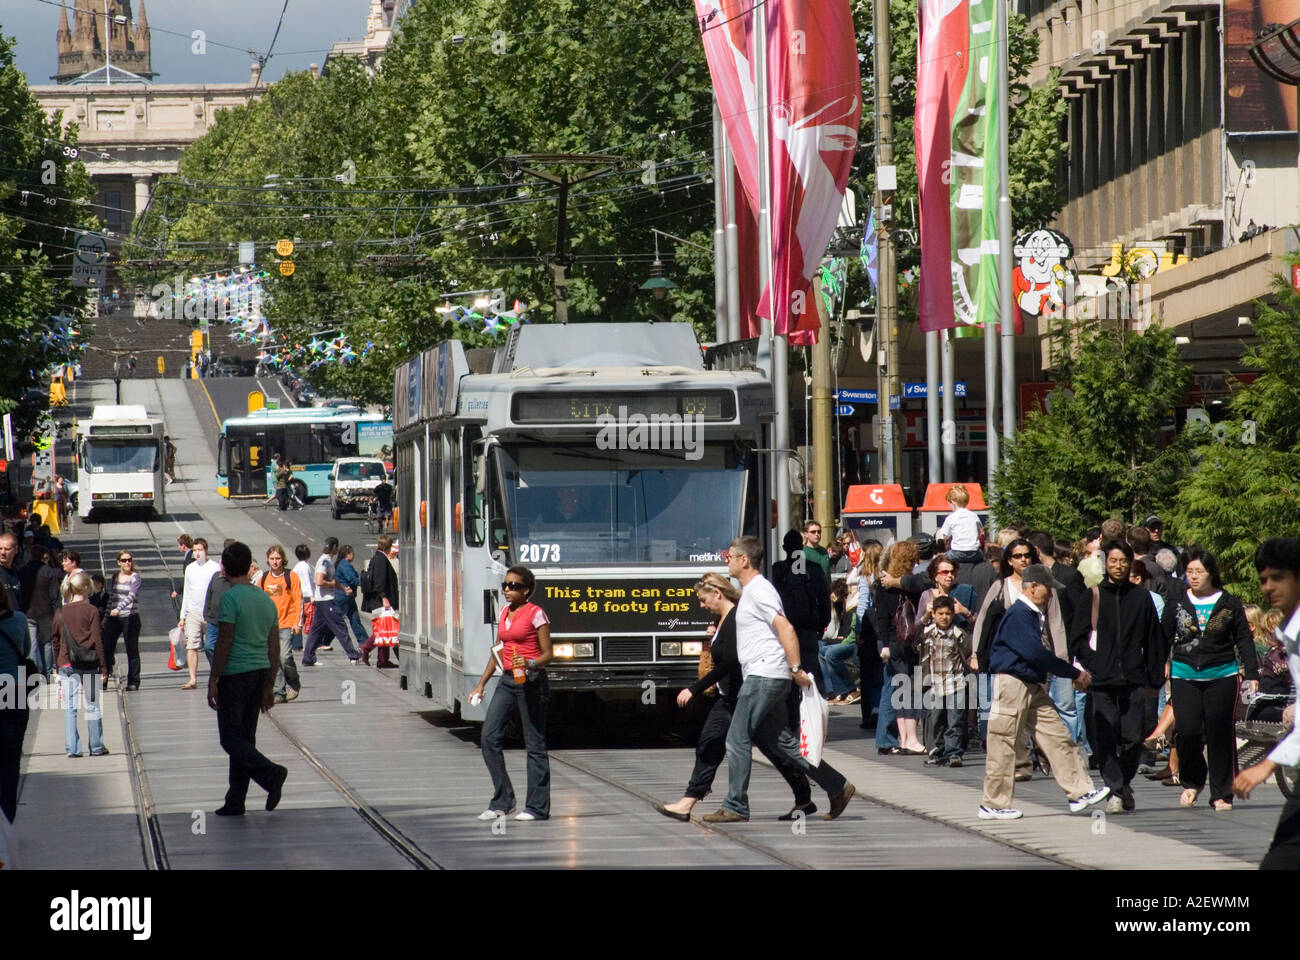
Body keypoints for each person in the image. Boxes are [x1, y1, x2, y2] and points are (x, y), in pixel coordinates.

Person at [700, 536, 857, 823]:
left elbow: (785, 627)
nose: (727, 560)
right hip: (766, 674)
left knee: (737, 738)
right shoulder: (750, 591)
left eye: (730, 556)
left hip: (765, 675)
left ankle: (735, 805)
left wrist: (796, 667)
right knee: (784, 744)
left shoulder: (759, 590)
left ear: (744, 560)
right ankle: (837, 786)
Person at [659, 573, 819, 821]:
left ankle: (823, 786)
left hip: (741, 695)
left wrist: (695, 688)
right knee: (767, 746)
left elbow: (731, 662)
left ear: (717, 594)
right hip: (734, 695)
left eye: (703, 600)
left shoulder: (735, 618)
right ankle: (807, 795)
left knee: (753, 745)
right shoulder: (723, 619)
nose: (702, 606)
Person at [978, 564, 1110, 820]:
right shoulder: (1019, 613)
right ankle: (993, 804)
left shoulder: (1030, 613)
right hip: (1012, 684)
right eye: (1048, 589)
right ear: (1034, 586)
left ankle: (1079, 792)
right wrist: (1074, 673)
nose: (1051, 595)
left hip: (1030, 684)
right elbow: (1035, 653)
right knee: (1003, 743)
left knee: (1057, 735)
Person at [1068, 539, 1166, 814]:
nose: (1118, 566)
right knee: (1106, 735)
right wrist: (1093, 663)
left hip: (1134, 679)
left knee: (1134, 738)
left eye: (1123, 561)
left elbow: (1154, 640)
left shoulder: (1141, 597)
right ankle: (1116, 789)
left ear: (1130, 563)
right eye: (1113, 561)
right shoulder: (1094, 595)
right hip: (1103, 680)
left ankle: (1122, 785)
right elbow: (1078, 637)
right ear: (1105, 563)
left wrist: (1154, 677)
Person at [1167, 547, 1257, 811]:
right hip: (1184, 673)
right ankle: (1192, 780)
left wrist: (1251, 673)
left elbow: (1244, 639)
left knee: (1220, 733)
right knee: (1187, 731)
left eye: (1199, 572)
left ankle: (1222, 792)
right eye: (1190, 572)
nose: (1194, 577)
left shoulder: (1228, 602)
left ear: (1211, 574)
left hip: (1222, 674)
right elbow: (1162, 635)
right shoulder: (1177, 601)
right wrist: (1157, 666)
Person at [207, 541, 288, 817]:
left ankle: (271, 774)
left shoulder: (230, 598)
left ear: (225, 568)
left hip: (235, 675)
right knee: (245, 739)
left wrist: (213, 678)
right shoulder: (264, 599)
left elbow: (225, 640)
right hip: (259, 673)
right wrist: (270, 684)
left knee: (230, 739)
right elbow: (274, 646)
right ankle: (236, 800)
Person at [469, 566, 553, 821]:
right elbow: (498, 650)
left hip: (531, 680)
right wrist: (481, 684)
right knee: (489, 737)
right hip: (507, 680)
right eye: (505, 585)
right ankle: (503, 800)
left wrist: (528, 664)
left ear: (526, 590)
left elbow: (548, 654)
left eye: (514, 586)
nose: (507, 590)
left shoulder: (537, 614)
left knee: (534, 743)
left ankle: (537, 807)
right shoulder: (505, 611)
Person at [1235, 538, 1300, 868]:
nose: (1269, 587)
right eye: (1263, 580)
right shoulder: (1291, 632)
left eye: (1278, 577)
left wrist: (1266, 765)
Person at [875, 539, 927, 755]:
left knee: (896, 688)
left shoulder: (883, 584)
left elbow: (881, 618)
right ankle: (909, 739)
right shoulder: (912, 584)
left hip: (892, 642)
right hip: (908, 642)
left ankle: (900, 738)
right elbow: (922, 584)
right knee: (909, 689)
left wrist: (884, 644)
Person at [53, 572, 108, 759]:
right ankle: (96, 745)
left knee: (70, 707)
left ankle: (73, 748)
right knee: (92, 705)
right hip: (89, 663)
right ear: (86, 588)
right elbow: (98, 641)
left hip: (66, 663)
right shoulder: (91, 610)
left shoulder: (61, 612)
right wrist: (104, 667)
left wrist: (57, 665)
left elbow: (55, 640)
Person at [771, 529, 830, 695]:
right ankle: (809, 713)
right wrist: (822, 624)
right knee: (809, 674)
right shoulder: (814, 570)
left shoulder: (777, 570)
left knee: (786, 675)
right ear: (801, 546)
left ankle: (791, 716)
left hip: (784, 629)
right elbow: (824, 600)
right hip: (808, 628)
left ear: (784, 547)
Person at [919, 596, 972, 767]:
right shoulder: (927, 633)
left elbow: (967, 653)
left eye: (948, 613)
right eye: (940, 613)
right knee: (935, 720)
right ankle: (937, 750)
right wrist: (924, 618)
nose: (944, 617)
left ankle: (954, 753)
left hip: (955, 683)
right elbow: (913, 641)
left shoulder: (959, 635)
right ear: (933, 614)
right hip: (934, 685)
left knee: (955, 721)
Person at [301, 537, 362, 666]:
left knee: (316, 631)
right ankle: (353, 655)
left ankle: (308, 657)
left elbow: (333, 581)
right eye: (336, 546)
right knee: (340, 627)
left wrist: (342, 588)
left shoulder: (328, 561)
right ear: (334, 547)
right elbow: (319, 581)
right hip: (326, 601)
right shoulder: (324, 561)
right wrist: (332, 584)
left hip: (323, 600)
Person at [0, 581, 31, 822]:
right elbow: (26, 650)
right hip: (15, 691)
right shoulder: (19, 620)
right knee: (10, 763)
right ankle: (7, 820)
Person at [257, 545, 302, 704]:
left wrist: (297, 622)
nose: (275, 562)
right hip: (268, 626)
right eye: (272, 559)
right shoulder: (263, 579)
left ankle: (294, 682)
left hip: (286, 623)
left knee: (285, 656)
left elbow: (298, 601)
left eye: (277, 558)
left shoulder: (291, 577)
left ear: (282, 559)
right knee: (273, 659)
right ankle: (280, 692)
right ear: (268, 560)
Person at [179, 538, 220, 690]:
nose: (197, 553)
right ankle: (192, 679)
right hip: (193, 611)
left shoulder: (214, 567)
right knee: (192, 646)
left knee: (212, 645)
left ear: (206, 550)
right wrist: (182, 616)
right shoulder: (190, 568)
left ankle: (216, 674)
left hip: (210, 613)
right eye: (195, 550)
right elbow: (187, 591)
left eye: (200, 550)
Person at [102, 550, 143, 691]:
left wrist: (118, 609)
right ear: (119, 562)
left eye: (129, 560)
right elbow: (112, 598)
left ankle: (134, 681)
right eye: (124, 560)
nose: (127, 563)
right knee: (107, 648)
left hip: (130, 618)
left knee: (131, 649)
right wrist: (106, 617)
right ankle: (105, 677)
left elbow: (131, 597)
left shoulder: (135, 577)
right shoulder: (115, 577)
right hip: (114, 618)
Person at [359, 535, 400, 668]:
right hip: (380, 600)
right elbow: (379, 582)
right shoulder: (381, 560)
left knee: (384, 629)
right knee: (382, 630)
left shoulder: (377, 557)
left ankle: (383, 660)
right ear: (387, 547)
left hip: (378, 600)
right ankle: (366, 648)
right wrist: (384, 598)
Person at [820, 579, 859, 704]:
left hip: (852, 642)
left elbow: (852, 632)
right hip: (845, 639)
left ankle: (846, 688)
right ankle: (832, 690)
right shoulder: (840, 606)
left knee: (830, 653)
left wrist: (842, 640)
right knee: (820, 649)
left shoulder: (852, 606)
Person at [201, 541, 236, 668]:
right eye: (222, 563)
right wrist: (206, 613)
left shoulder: (234, 579)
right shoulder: (216, 576)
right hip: (213, 620)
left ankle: (224, 670)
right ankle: (217, 667)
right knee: (209, 646)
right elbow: (209, 595)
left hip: (229, 621)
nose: (223, 567)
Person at [335, 545, 370, 649]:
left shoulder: (342, 564)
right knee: (336, 621)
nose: (353, 555)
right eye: (352, 553)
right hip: (344, 596)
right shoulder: (345, 565)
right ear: (348, 554)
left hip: (346, 596)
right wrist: (363, 582)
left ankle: (364, 642)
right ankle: (323, 641)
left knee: (355, 619)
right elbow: (352, 579)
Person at [938, 484, 983, 563]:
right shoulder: (974, 515)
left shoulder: (951, 518)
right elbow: (981, 532)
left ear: (952, 502)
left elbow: (943, 535)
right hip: (974, 553)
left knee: (940, 559)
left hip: (957, 553)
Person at [291, 544, 314, 652]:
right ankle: (297, 644)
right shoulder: (304, 566)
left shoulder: (298, 566)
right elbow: (306, 582)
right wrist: (311, 596)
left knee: (299, 620)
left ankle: (296, 643)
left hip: (298, 595)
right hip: (302, 596)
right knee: (299, 620)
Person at [0, 532, 22, 613]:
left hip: (15, 620)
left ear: (16, 550)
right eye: (0, 548)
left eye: (7, 549)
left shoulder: (17, 572)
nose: (2, 552)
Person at [171, 535, 193, 602]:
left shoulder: (189, 559)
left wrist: (177, 590)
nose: (178, 547)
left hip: (190, 593)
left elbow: (189, 579)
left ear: (183, 545)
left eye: (179, 545)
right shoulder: (189, 555)